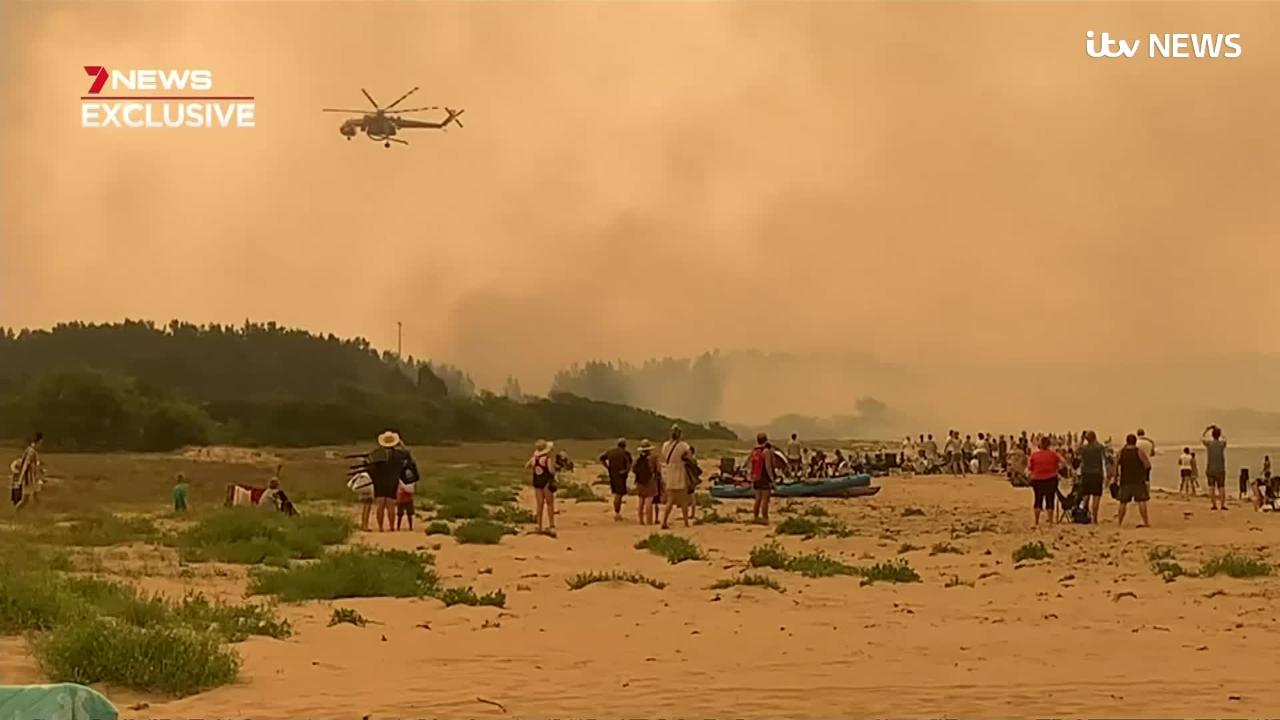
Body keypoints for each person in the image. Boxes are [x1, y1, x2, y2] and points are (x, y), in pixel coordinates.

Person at [367, 431, 419, 531]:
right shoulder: (399, 454)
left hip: (379, 481)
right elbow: (408, 456)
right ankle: (391, 527)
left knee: (380, 506)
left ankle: (381, 528)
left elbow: (370, 466)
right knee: (391, 506)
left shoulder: (378, 454)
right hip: (392, 481)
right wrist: (402, 445)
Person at [1113, 433, 1152, 527]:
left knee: (1123, 502)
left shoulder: (1121, 452)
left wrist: (1115, 477)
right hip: (1138, 480)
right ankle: (1146, 522)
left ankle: (1119, 523)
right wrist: (1145, 476)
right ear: (1135, 442)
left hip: (1125, 480)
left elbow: (1115, 465)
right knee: (1141, 501)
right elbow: (1147, 465)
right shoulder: (1139, 452)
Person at [659, 425, 694, 529]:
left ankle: (664, 521)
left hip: (669, 472)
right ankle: (686, 522)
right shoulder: (683, 445)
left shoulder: (665, 445)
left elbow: (664, 457)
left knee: (670, 499)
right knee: (683, 500)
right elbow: (690, 457)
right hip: (680, 471)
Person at [1028, 436, 1063, 527]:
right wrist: (1056, 468)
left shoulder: (1034, 455)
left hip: (1037, 479)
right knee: (1050, 499)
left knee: (1038, 500)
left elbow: (1030, 468)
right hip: (1050, 479)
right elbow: (1062, 463)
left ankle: (1036, 521)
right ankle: (1050, 521)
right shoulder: (1053, 454)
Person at [526, 440, 558, 535]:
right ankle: (551, 524)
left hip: (537, 482)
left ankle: (539, 525)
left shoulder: (534, 458)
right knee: (549, 503)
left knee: (539, 504)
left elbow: (527, 466)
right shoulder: (547, 458)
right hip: (546, 482)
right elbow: (551, 471)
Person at [599, 438, 634, 522]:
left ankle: (617, 512)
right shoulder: (625, 453)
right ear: (624, 445)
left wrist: (607, 467)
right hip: (621, 476)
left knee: (616, 494)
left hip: (612, 475)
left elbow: (601, 458)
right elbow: (629, 464)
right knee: (619, 495)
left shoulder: (610, 452)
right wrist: (626, 471)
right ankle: (617, 513)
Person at [749, 432, 780, 524]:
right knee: (765, 500)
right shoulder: (766, 451)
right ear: (766, 440)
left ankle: (755, 517)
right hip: (764, 477)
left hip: (756, 477)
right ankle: (765, 518)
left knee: (758, 498)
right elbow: (768, 467)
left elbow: (750, 464)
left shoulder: (754, 451)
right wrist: (772, 479)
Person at [1077, 431, 1106, 523]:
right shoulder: (1100, 447)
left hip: (1086, 473)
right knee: (1096, 496)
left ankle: (1085, 514)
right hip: (1097, 473)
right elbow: (1105, 458)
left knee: (1086, 496)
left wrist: (1081, 440)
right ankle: (1095, 518)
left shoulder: (1084, 448)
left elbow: (1077, 452)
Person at [13, 432, 44, 510]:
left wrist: (40, 470)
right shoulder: (31, 451)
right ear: (39, 441)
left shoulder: (31, 451)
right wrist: (21, 479)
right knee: (26, 499)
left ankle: (38, 511)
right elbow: (25, 465)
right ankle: (16, 512)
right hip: (29, 479)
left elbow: (33, 465)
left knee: (36, 496)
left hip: (32, 478)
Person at [632, 439, 660, 525]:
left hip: (639, 481)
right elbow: (658, 469)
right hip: (650, 481)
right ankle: (649, 521)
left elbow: (633, 469)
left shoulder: (637, 459)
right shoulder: (653, 458)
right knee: (649, 501)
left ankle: (641, 520)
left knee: (641, 501)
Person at [1202, 425, 1228, 511]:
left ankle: (1214, 505)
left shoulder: (1209, 444)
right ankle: (1222, 505)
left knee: (1211, 487)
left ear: (1212, 435)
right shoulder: (1221, 444)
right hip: (1220, 469)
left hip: (1210, 468)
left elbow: (1201, 438)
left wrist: (1207, 429)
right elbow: (1225, 439)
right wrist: (1220, 431)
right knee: (1221, 487)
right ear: (1219, 435)